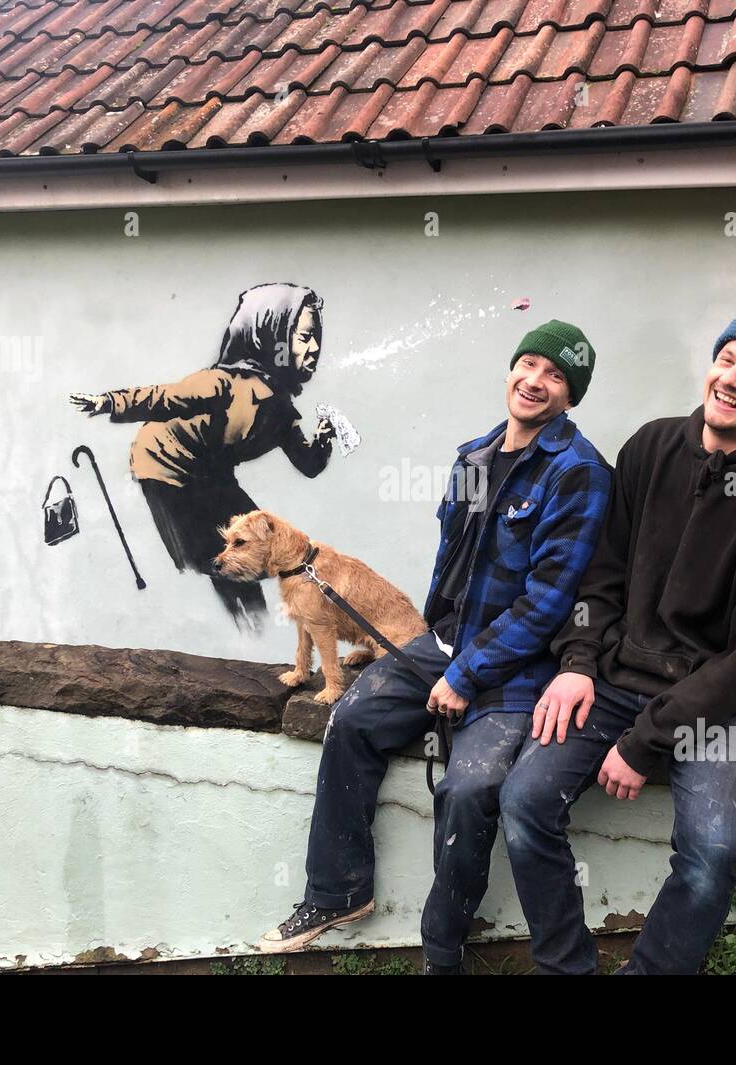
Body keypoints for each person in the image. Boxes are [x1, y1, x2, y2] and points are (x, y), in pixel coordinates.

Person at [257, 321, 612, 969]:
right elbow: (451, 570)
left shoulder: (577, 473)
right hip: (445, 644)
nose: (534, 380)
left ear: (569, 395)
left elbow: (547, 603)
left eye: (555, 375)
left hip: (517, 670)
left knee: (467, 790)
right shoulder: (474, 456)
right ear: (511, 370)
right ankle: (338, 891)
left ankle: (440, 952)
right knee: (353, 720)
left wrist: (465, 674)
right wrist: (434, 651)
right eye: (527, 363)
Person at [506, 309, 736, 974]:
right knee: (524, 799)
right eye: (727, 359)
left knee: (712, 855)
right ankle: (567, 966)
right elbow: (600, 577)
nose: (731, 379)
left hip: (719, 708)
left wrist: (644, 741)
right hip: (617, 675)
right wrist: (576, 660)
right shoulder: (651, 448)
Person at [70, 282, 333, 634]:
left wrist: (325, 439)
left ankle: (253, 628)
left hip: (213, 473)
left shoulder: (282, 409)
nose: (315, 348)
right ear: (271, 336)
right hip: (167, 467)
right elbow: (164, 398)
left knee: (261, 546)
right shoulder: (221, 383)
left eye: (316, 337)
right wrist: (109, 402)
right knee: (212, 558)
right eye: (303, 338)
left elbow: (309, 464)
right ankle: (239, 630)